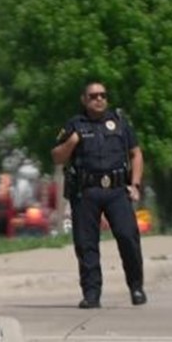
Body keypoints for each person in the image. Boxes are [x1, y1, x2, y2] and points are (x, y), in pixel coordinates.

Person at [51, 81, 147, 309]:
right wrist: (72, 142)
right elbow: (56, 157)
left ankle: (136, 286)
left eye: (103, 95)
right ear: (84, 99)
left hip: (116, 190)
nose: (99, 99)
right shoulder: (75, 124)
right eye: (93, 96)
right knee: (86, 245)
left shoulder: (120, 123)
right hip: (86, 192)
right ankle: (91, 294)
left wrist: (135, 184)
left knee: (128, 236)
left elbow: (136, 154)